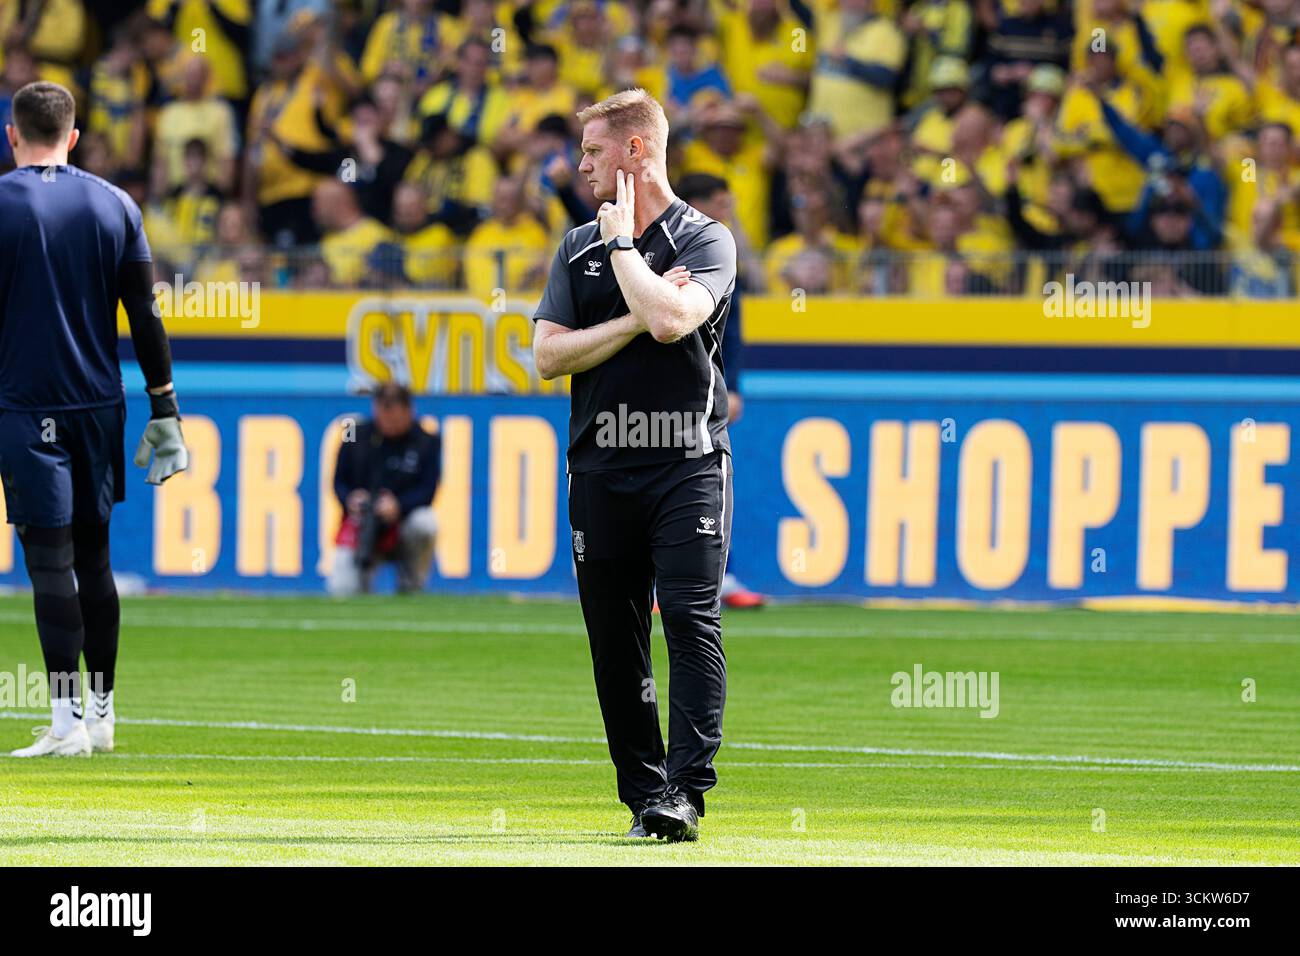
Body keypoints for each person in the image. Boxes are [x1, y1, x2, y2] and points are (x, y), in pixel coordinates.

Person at [531, 88, 736, 842]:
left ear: (636, 151)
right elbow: (548, 357)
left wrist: (623, 252)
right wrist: (626, 310)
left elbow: (673, 317)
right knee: (614, 641)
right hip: (601, 470)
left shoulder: (707, 240)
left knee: (689, 619)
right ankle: (646, 796)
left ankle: (686, 790)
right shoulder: (574, 246)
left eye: (592, 151)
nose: (581, 165)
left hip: (687, 463)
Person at [0, 81, 188, 758]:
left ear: (12, 133)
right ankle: (102, 714)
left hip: (26, 407)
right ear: (73, 136)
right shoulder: (117, 204)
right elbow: (145, 314)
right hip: (99, 405)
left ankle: (65, 723)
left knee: (48, 562)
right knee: (96, 560)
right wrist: (164, 403)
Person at [328, 383, 440, 596]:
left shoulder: (427, 441)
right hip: (363, 524)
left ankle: (412, 584)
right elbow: (338, 481)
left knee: (426, 523)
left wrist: (398, 505)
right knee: (342, 589)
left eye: (395, 418)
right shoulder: (354, 433)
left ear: (409, 411)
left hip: (403, 525)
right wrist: (350, 499)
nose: (388, 423)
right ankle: (361, 584)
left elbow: (428, 490)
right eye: (383, 414)